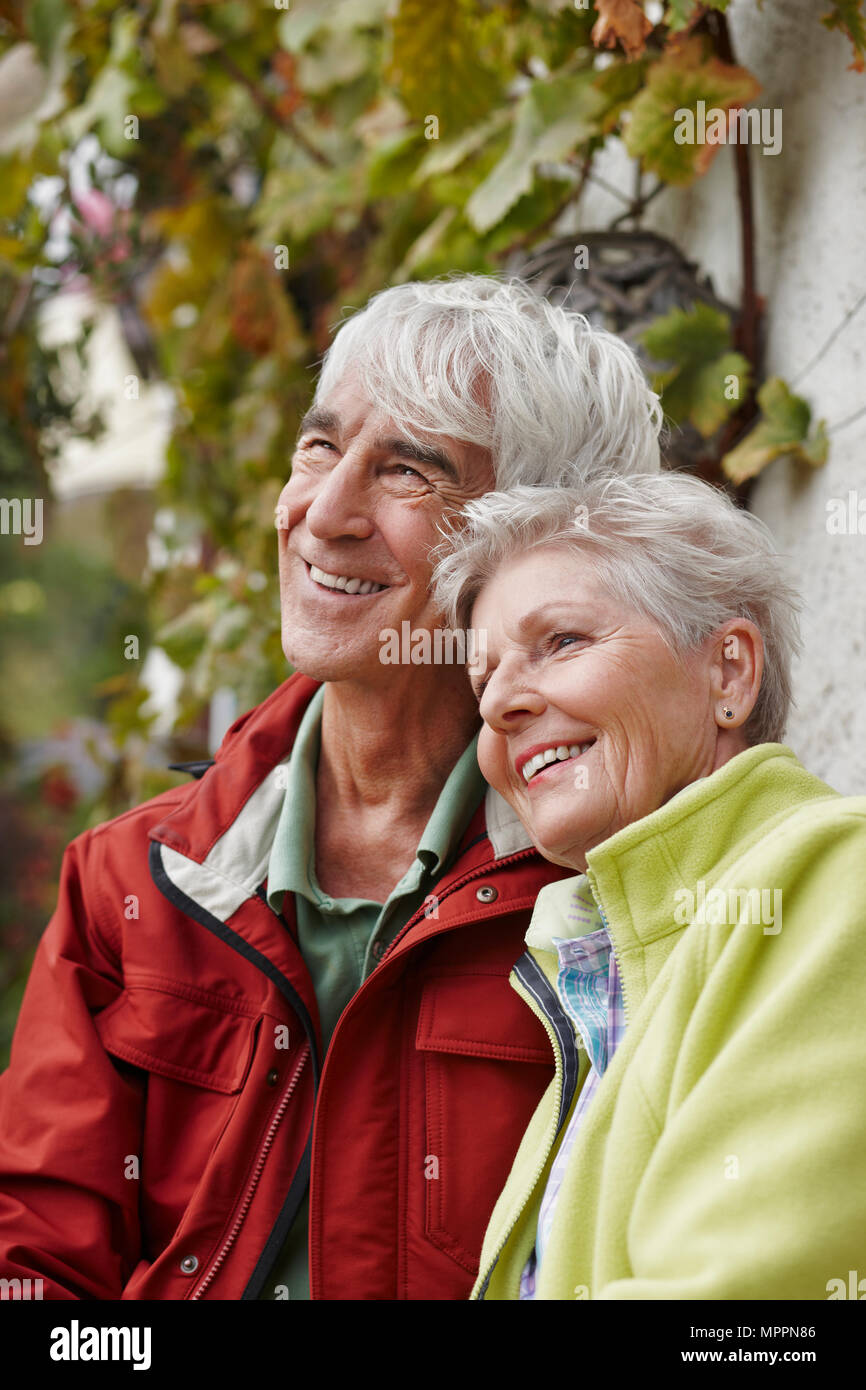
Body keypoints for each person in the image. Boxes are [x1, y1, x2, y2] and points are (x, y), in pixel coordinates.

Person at [0, 274, 663, 1300]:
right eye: (319, 446)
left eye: (406, 472)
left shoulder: (624, 905)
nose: (323, 511)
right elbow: (34, 1258)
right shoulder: (131, 884)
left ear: (537, 546)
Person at [431, 469, 866, 1300]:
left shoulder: (833, 874)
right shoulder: (596, 977)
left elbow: (746, 1309)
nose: (500, 708)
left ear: (729, 673)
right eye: (483, 681)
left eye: (561, 641)